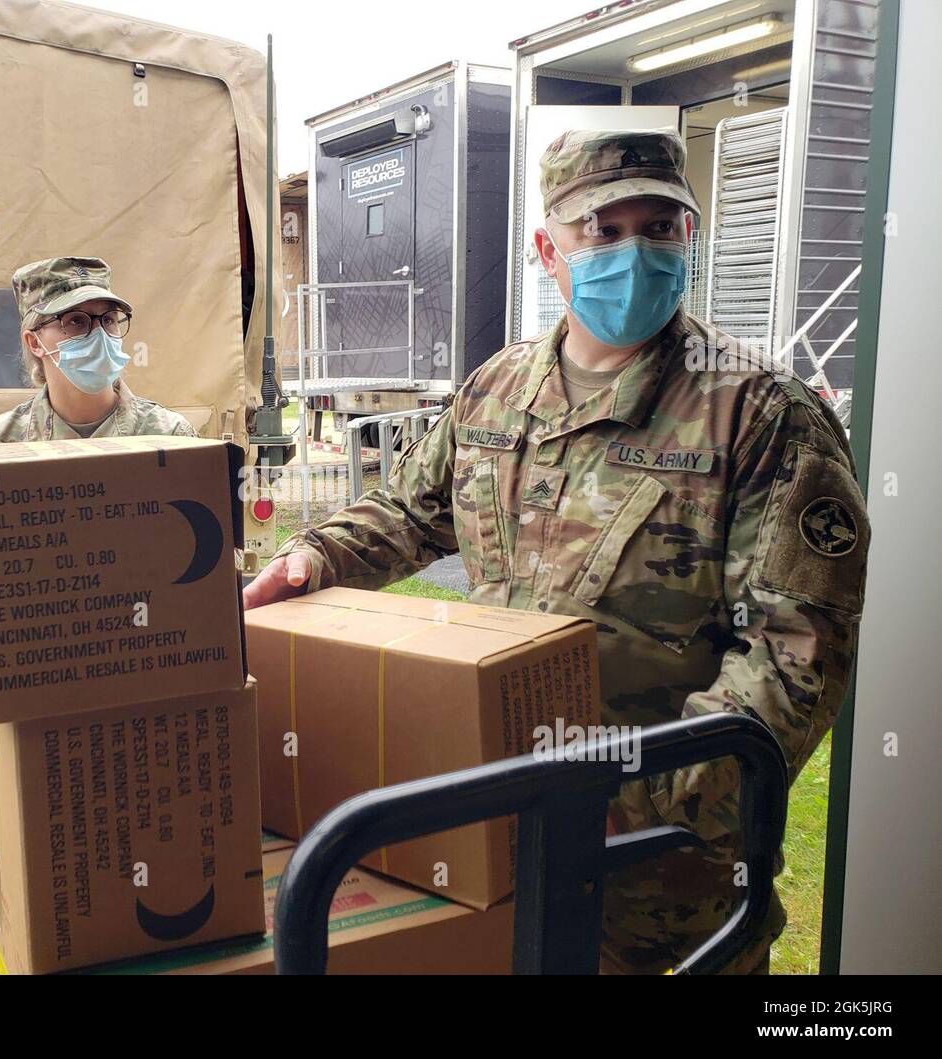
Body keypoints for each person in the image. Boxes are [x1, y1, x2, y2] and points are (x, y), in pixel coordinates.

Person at [245, 129, 870, 974]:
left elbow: (797, 653)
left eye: (660, 227)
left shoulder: (761, 412)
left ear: (689, 236)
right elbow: (409, 509)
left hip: (664, 881)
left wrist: (643, 802)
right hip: (503, 837)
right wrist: (311, 560)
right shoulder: (498, 390)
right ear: (548, 249)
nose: (636, 251)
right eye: (603, 231)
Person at [0, 256, 196, 442]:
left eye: (108, 319)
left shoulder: (170, 435)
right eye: (76, 321)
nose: (99, 333)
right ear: (34, 343)